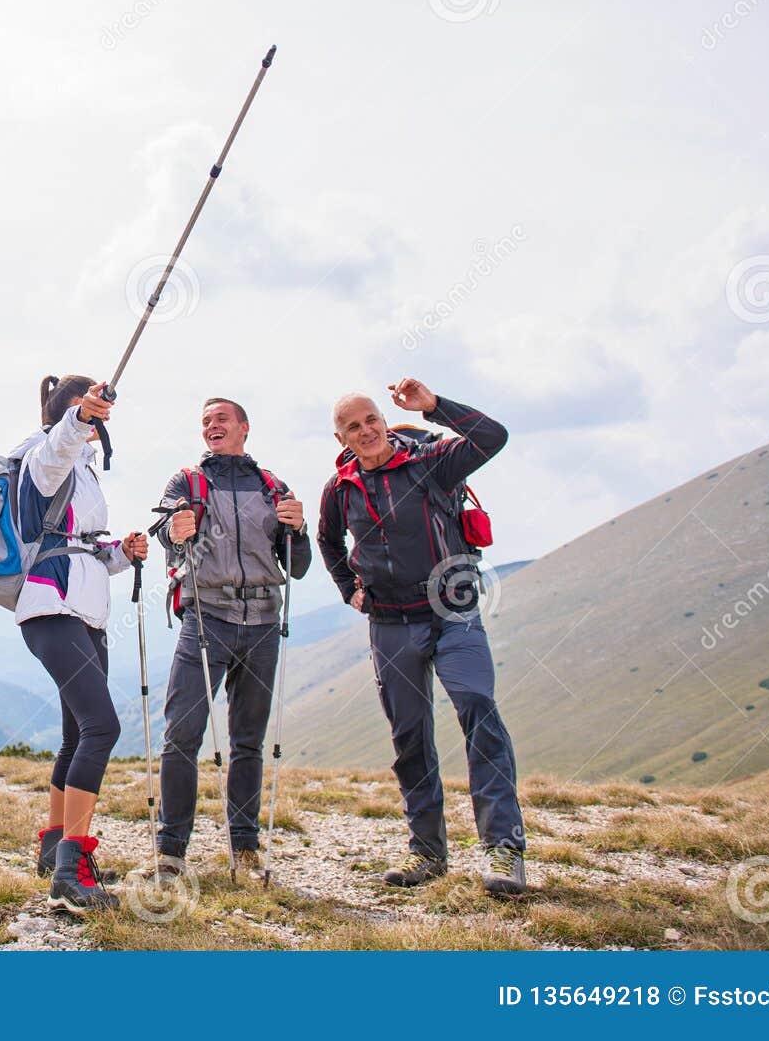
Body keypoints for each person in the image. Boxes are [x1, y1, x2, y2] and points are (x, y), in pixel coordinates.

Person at [316, 378, 526, 895]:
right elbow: (326, 539)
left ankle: (504, 851)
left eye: (370, 420)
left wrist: (435, 406)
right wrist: (349, 589)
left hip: (453, 615)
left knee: (478, 711)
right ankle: (428, 854)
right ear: (340, 438)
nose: (365, 431)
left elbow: (492, 437)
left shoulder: (432, 461)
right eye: (352, 427)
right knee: (410, 737)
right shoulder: (340, 489)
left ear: (384, 421)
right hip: (389, 623)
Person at [152, 397, 312, 881]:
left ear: (244, 427)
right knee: (182, 734)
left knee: (249, 740)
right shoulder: (188, 481)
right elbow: (165, 528)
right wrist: (171, 529)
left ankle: (244, 846)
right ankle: (171, 851)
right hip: (208, 618)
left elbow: (298, 566)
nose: (210, 426)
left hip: (264, 621)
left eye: (220, 419)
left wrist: (299, 529)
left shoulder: (272, 486)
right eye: (204, 421)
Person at [14, 374, 148, 913]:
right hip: (50, 608)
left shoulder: (86, 473)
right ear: (62, 417)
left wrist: (123, 552)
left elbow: (81, 551)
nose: (90, 424)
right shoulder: (42, 457)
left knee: (75, 736)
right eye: (79, 413)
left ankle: (55, 847)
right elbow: (57, 448)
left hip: (86, 611)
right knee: (103, 727)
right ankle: (73, 869)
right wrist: (79, 417)